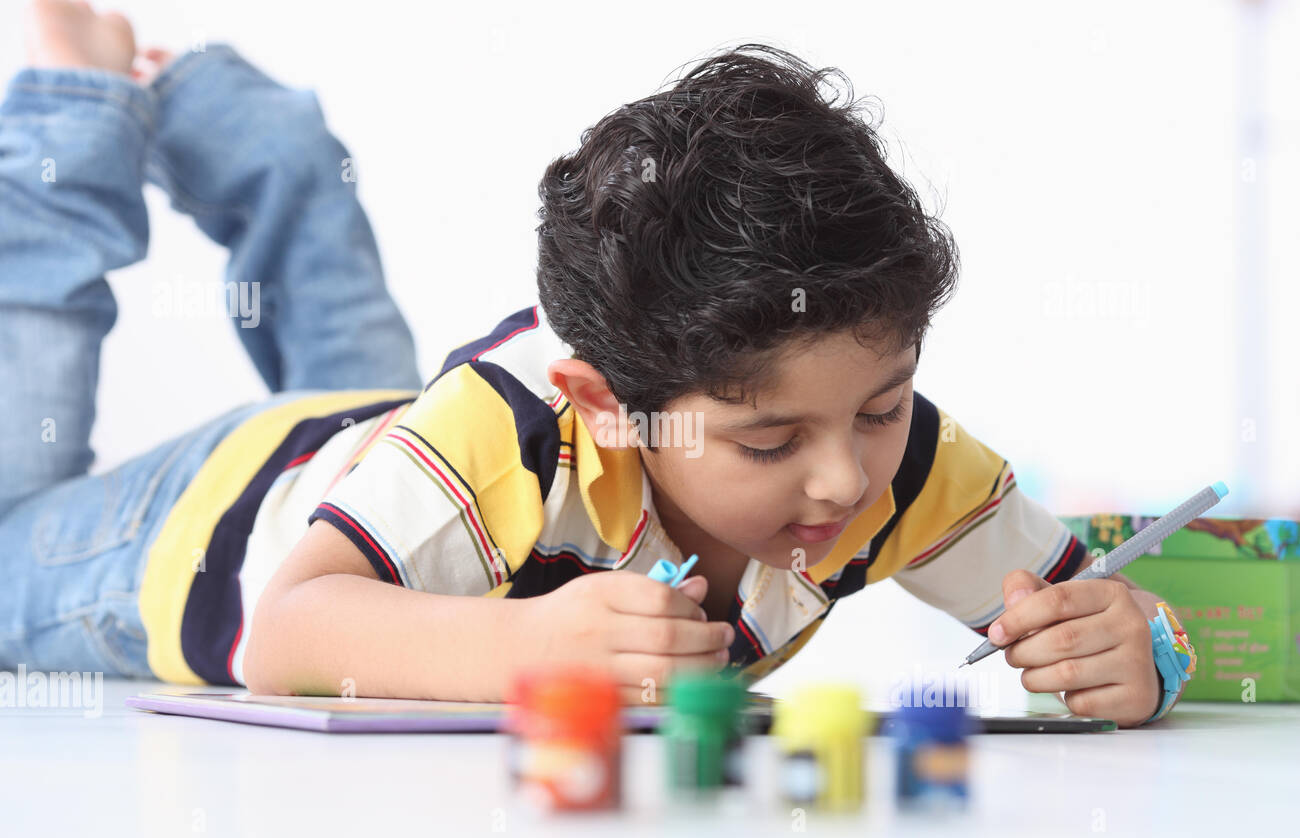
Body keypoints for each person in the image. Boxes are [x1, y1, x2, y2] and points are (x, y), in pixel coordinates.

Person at [1, 1, 1177, 728]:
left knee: (381, 380)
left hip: (404, 465)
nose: (845, 482)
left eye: (880, 406)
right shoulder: (509, 433)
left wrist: (1140, 650)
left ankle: (249, 129)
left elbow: (1100, 595)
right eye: (769, 441)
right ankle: (80, 100)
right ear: (609, 410)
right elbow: (289, 633)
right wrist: (526, 647)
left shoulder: (892, 451)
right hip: (212, 521)